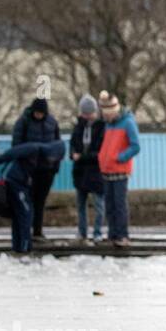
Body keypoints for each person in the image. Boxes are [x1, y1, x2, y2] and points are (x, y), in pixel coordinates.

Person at [0, 139, 65, 253]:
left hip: (23, 185)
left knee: (19, 215)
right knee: (25, 214)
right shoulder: (34, 149)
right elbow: (10, 154)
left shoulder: (45, 160)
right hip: (14, 182)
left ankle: (18, 247)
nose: (52, 160)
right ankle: (24, 248)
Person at [12, 97, 62, 241]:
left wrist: (55, 167)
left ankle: (37, 231)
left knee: (40, 201)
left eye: (41, 113)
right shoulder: (23, 122)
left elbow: (58, 146)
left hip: (46, 170)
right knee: (27, 201)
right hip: (28, 170)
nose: (39, 115)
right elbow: (17, 146)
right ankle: (25, 231)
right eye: (37, 113)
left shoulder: (52, 122)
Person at [97, 91, 140, 247]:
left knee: (119, 205)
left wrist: (119, 157)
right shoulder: (109, 124)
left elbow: (136, 146)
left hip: (120, 171)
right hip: (107, 170)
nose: (105, 117)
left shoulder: (128, 122)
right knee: (109, 205)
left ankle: (122, 235)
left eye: (107, 115)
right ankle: (112, 234)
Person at [69, 95, 106, 244]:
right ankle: (82, 232)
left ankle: (97, 232)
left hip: (95, 173)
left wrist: (81, 156)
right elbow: (72, 145)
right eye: (84, 114)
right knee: (81, 206)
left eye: (89, 113)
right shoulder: (78, 127)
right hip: (80, 173)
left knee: (99, 205)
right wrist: (73, 154)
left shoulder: (101, 127)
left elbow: (100, 153)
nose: (87, 117)